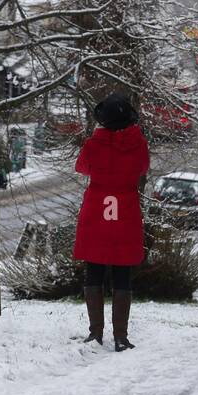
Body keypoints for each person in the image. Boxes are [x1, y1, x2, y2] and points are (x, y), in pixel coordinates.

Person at [72, 93, 149, 351]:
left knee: (94, 272)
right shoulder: (137, 144)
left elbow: (82, 167)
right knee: (122, 273)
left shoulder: (95, 144)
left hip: (97, 212)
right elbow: (142, 167)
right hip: (124, 212)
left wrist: (98, 139)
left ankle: (95, 333)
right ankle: (121, 336)